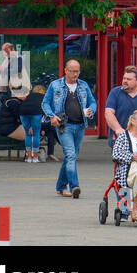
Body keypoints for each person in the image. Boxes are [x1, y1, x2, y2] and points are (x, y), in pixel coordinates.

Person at [42, 59, 96, 198]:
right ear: (65, 70)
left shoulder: (83, 85)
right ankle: (74, 186)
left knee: (70, 157)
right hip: (64, 126)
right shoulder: (55, 85)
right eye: (72, 71)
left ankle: (60, 186)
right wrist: (52, 116)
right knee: (71, 155)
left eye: (77, 71)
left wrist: (91, 110)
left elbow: (92, 102)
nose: (75, 74)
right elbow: (45, 103)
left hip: (80, 126)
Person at [17, 84, 54, 164]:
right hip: (35, 113)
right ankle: (35, 157)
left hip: (23, 112)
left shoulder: (29, 96)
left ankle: (29, 157)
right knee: (36, 134)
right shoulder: (44, 97)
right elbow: (45, 110)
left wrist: (30, 126)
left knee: (28, 134)